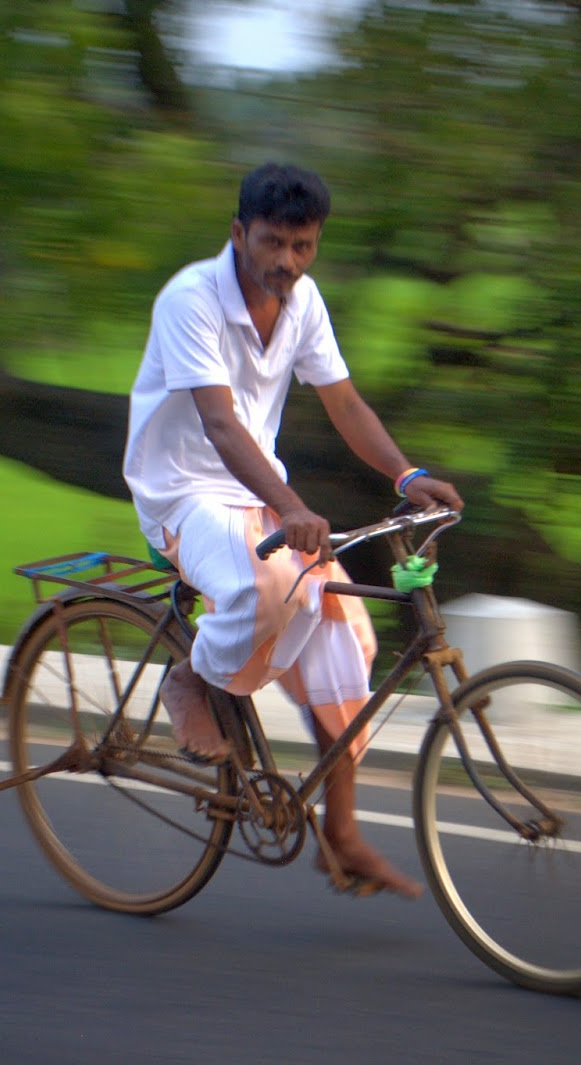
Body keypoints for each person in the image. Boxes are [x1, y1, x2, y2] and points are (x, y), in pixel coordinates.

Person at [123, 162, 462, 898]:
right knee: (271, 588)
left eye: (303, 246)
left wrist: (405, 475)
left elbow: (345, 404)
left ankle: (340, 835)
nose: (287, 261)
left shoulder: (303, 303)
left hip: (254, 493)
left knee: (346, 634)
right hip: (183, 494)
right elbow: (219, 423)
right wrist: (293, 505)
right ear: (239, 233)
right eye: (273, 242)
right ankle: (198, 675)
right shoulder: (191, 299)